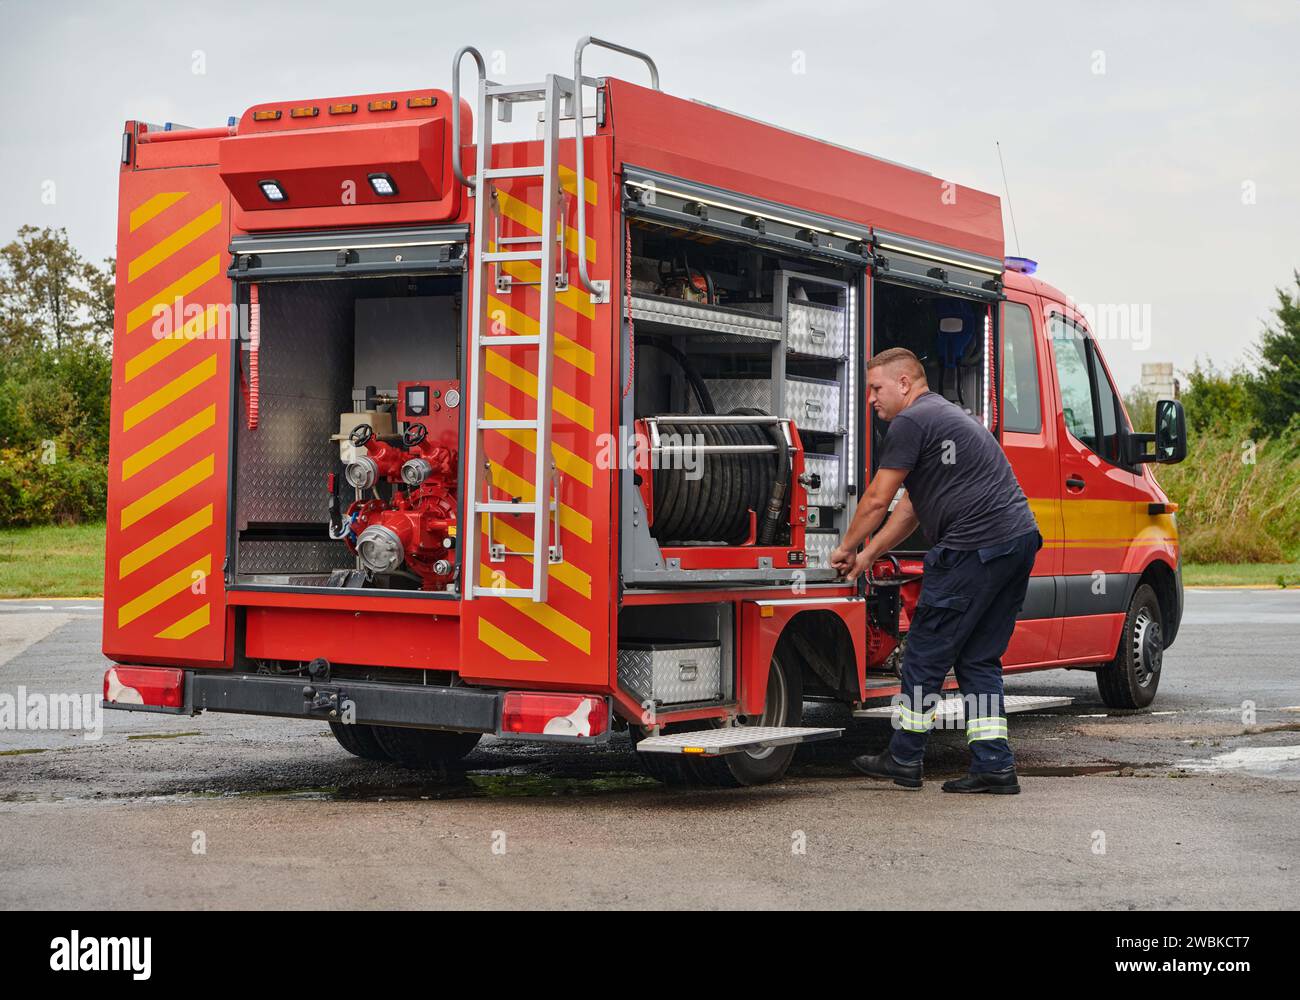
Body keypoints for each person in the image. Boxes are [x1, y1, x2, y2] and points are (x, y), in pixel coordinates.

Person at [830, 347, 1042, 793]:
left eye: (876, 388)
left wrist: (846, 547)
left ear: (904, 383)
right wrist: (868, 556)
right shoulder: (942, 415)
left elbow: (875, 500)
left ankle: (905, 758)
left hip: (974, 547)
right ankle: (994, 766)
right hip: (1016, 541)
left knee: (925, 650)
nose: (871, 399)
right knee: (978, 658)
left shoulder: (910, 421)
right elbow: (910, 510)